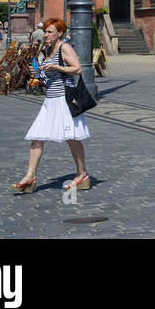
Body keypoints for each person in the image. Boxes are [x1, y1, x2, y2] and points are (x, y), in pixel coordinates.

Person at [12, 19, 90, 194]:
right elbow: (48, 75)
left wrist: (56, 66)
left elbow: (77, 69)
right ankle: (30, 176)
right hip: (50, 100)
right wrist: (38, 73)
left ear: (60, 33)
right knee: (37, 137)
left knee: (72, 138)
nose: (46, 35)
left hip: (64, 99)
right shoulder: (47, 49)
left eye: (50, 32)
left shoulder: (65, 48)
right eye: (45, 31)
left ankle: (82, 174)